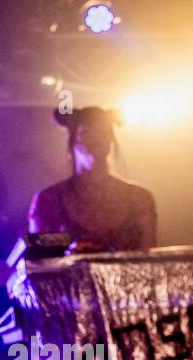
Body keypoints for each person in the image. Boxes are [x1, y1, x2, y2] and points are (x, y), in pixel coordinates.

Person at [28, 106, 157, 253]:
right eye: (87, 132)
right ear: (72, 140)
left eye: (103, 131)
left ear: (111, 140)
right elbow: (40, 263)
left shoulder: (139, 198)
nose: (97, 138)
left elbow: (149, 260)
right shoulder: (48, 200)